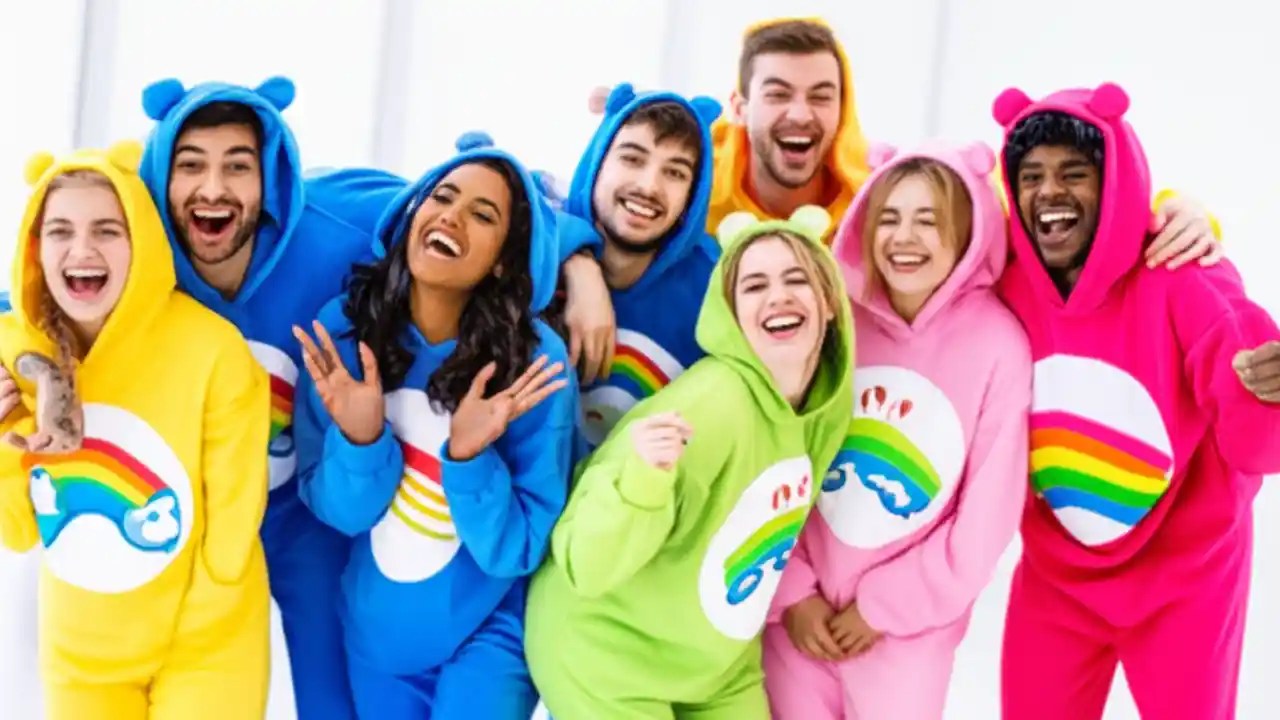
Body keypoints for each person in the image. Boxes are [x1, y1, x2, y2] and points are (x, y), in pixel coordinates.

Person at [575, 17, 1222, 382]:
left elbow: (1017, 213)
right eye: (778, 93)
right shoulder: (691, 175)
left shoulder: (876, 198)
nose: (800, 112)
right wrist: (580, 269)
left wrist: (1176, 205)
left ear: (842, 107)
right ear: (741, 105)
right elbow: (564, 200)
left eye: (821, 95)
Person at [992, 82, 1280, 720]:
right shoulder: (1006, 280)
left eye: (1075, 173)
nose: (1050, 192)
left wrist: (1268, 393)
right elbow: (929, 196)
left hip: (1188, 581)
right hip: (1058, 578)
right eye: (1032, 176)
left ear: (1116, 183)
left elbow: (1257, 442)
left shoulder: (1184, 277)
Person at [526, 206, 855, 719]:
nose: (778, 296)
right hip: (606, 651)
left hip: (715, 664)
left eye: (797, 279)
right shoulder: (714, 403)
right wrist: (640, 484)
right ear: (732, 313)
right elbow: (585, 567)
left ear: (830, 301)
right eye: (754, 286)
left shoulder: (821, 414)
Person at [292, 133, 575, 719]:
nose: (451, 216)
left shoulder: (535, 364)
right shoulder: (343, 332)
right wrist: (362, 440)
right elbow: (341, 514)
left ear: (503, 258)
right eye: (442, 197)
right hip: (379, 636)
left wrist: (471, 458)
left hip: (488, 637)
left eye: (482, 214)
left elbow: (518, 547)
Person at [137, 75, 380, 720]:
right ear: (161, 174)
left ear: (268, 178)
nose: (213, 189)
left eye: (237, 167)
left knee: (334, 701)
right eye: (191, 165)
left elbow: (459, 199)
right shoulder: (134, 253)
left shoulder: (337, 237)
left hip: (302, 517)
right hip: (184, 528)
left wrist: (576, 261)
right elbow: (35, 287)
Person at [0, 142, 270, 718]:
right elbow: (17, 530)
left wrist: (204, 620)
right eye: (60, 231)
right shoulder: (15, 356)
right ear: (34, 247)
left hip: (204, 646)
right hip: (84, 653)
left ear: (141, 242)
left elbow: (232, 524)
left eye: (107, 230)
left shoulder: (212, 350)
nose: (82, 250)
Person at [763, 142, 1031, 719]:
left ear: (968, 232)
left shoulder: (998, 345)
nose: (903, 237)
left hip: (907, 635)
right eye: (888, 218)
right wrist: (793, 594)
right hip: (797, 620)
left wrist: (883, 608)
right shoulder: (836, 325)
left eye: (927, 221)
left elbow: (987, 518)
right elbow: (779, 456)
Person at [557, 82, 722, 451]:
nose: (649, 186)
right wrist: (579, 262)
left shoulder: (715, 290)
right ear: (597, 162)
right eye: (632, 159)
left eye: (675, 172)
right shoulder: (539, 238)